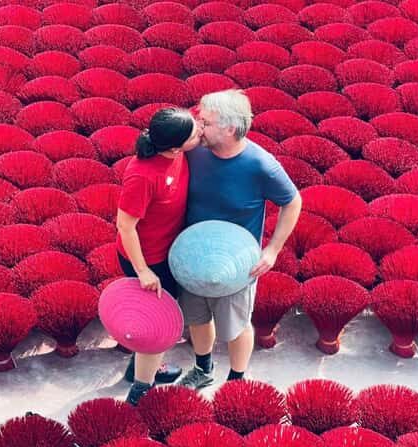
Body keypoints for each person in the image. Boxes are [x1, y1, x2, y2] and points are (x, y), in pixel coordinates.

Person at [178, 89, 302, 389]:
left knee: (235, 326)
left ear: (230, 128)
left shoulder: (261, 165)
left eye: (205, 122)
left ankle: (236, 380)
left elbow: (292, 201)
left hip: (237, 264)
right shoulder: (194, 150)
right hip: (191, 256)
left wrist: (272, 250)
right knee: (197, 317)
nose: (199, 126)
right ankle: (202, 368)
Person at [115, 107, 202, 405]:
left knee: (153, 320)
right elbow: (125, 226)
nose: (201, 131)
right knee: (156, 326)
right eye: (195, 132)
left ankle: (135, 368)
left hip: (169, 252)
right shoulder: (142, 175)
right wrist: (143, 272)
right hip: (149, 260)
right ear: (176, 146)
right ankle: (140, 391)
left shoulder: (176, 141)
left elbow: (199, 114)